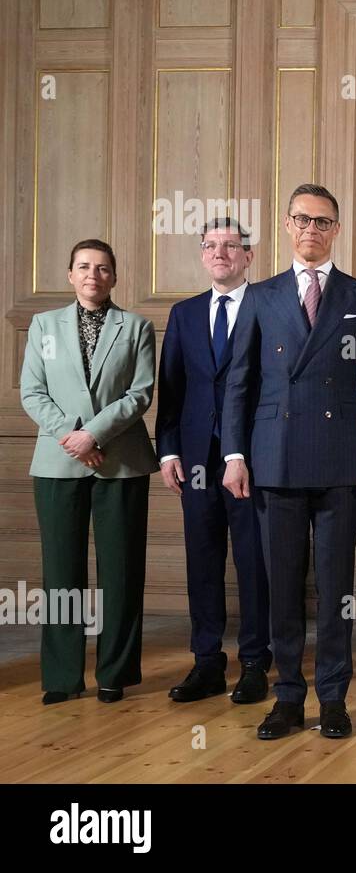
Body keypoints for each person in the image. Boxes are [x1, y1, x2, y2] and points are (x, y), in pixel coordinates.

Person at [222, 183, 356, 741]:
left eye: (323, 221)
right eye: (302, 220)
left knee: (336, 588)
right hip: (273, 459)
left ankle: (334, 696)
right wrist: (233, 454)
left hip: (341, 461)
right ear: (287, 225)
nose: (312, 230)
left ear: (336, 229)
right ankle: (288, 697)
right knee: (282, 589)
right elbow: (238, 386)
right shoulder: (263, 296)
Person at [21, 239, 158, 705]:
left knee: (120, 572)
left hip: (121, 463)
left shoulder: (137, 327)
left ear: (115, 277)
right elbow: (32, 393)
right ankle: (61, 676)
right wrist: (73, 438)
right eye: (83, 266)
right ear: (69, 274)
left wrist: (94, 435)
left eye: (102, 268)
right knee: (62, 573)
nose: (92, 275)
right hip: (58, 463)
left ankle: (114, 674)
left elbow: (140, 394)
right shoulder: (42, 326)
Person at [156, 218, 272, 705]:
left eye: (231, 245)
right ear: (203, 255)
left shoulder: (270, 307)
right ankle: (206, 662)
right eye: (211, 245)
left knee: (254, 564)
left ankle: (254, 664)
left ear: (248, 256)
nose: (221, 253)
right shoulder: (184, 314)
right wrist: (168, 449)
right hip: (197, 458)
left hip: (255, 458)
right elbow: (172, 387)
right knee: (202, 563)